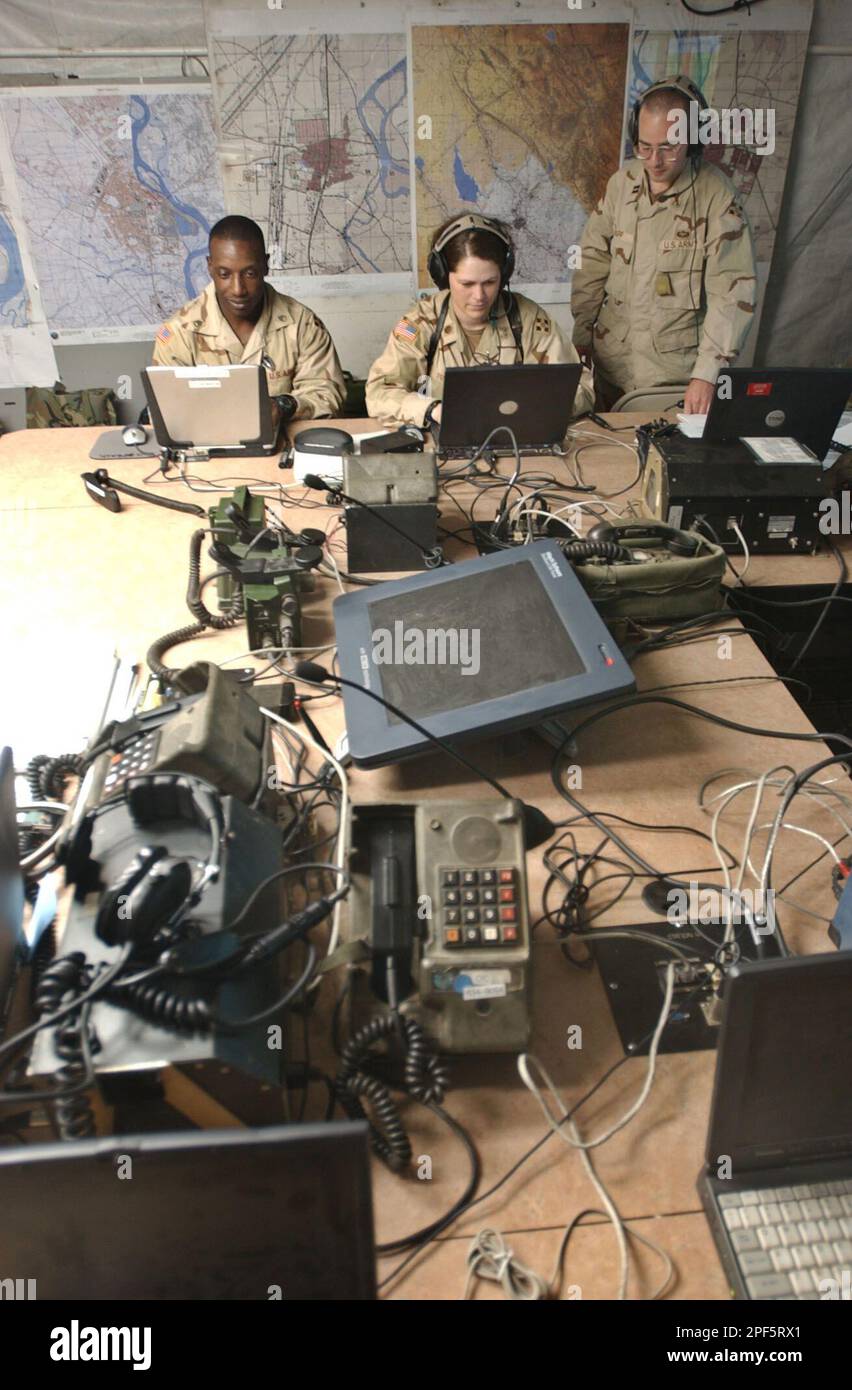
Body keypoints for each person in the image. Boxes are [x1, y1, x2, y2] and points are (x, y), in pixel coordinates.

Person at [571, 76, 757, 414]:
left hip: (673, 380)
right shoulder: (622, 184)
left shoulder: (716, 197)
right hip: (611, 366)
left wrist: (707, 375)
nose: (654, 161)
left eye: (668, 147)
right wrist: (581, 337)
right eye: (644, 147)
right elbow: (590, 260)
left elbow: (732, 292)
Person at [366, 213, 594, 427]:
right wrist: (432, 410)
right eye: (467, 284)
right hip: (442, 444)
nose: (479, 296)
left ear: (504, 275)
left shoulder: (527, 319)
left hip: (516, 440)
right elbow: (379, 393)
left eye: (489, 282)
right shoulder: (421, 323)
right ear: (443, 275)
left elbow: (581, 387)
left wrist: (532, 407)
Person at [152, 215, 345, 420]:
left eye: (250, 274)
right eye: (224, 274)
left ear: (265, 265)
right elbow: (167, 408)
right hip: (207, 448)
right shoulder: (179, 331)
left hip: (286, 444)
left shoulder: (302, 323)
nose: (238, 289)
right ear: (210, 267)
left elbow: (326, 395)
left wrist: (283, 407)